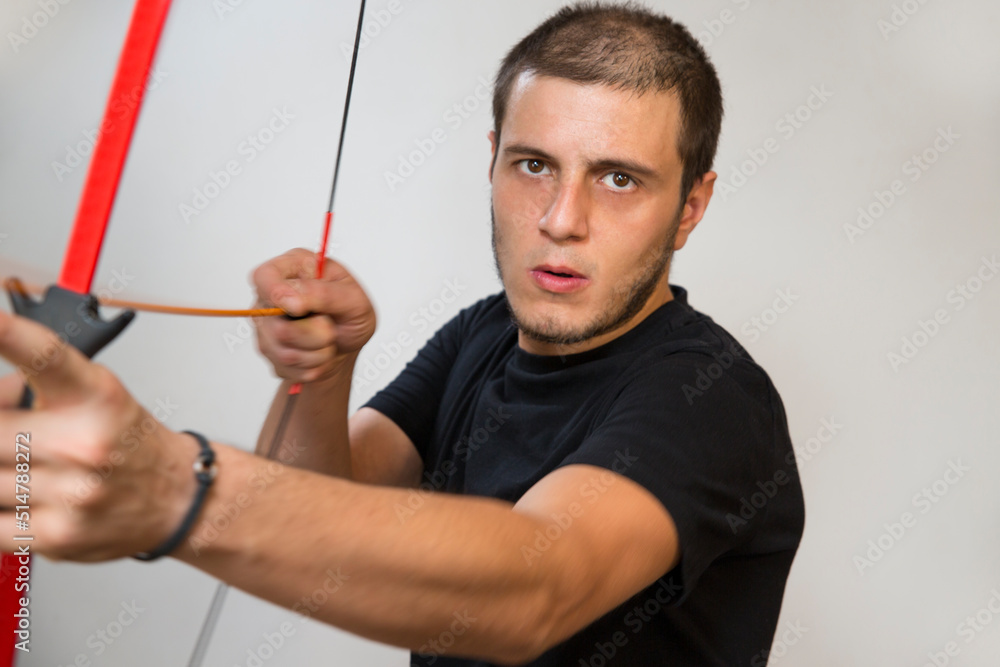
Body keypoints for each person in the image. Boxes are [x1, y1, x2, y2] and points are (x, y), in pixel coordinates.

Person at [0, 2, 804, 665]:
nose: (562, 220)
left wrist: (180, 488)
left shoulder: (712, 396)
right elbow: (323, 509)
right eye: (533, 166)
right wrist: (322, 372)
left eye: (618, 178)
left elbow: (536, 586)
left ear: (691, 207)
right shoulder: (484, 334)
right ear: (491, 161)